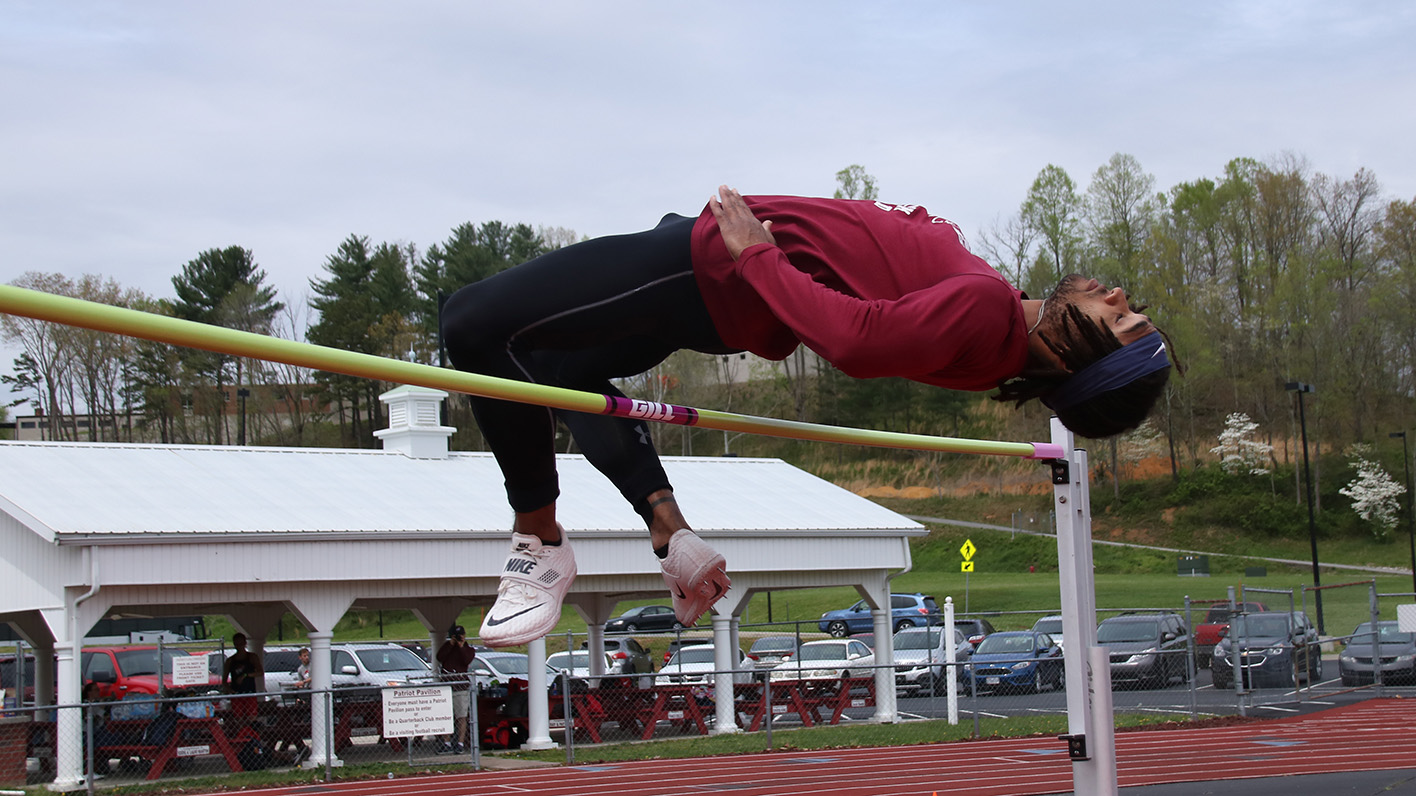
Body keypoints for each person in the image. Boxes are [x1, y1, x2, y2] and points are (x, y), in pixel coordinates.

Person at [442, 186, 1174, 648]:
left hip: (707, 268)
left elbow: (856, 342)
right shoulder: (997, 332)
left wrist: (757, 255)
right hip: (718, 287)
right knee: (567, 374)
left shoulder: (988, 316)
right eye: (1131, 308)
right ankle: (670, 530)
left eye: (1124, 323)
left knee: (473, 326)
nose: (1118, 298)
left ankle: (538, 545)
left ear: (1086, 359)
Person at [435, 625, 477, 753]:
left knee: (461, 716)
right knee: (446, 716)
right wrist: (450, 644)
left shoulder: (468, 649)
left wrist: (461, 646)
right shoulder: (448, 647)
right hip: (447, 687)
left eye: (461, 635)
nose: (459, 637)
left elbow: (466, 660)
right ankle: (446, 743)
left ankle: (460, 743)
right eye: (456, 636)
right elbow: (440, 657)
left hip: (461, 687)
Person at [221, 633, 263, 730]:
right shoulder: (230, 661)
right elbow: (224, 680)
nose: (239, 646)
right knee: (239, 720)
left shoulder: (252, 657)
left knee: (251, 718)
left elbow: (260, 672)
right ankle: (242, 735)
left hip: (249, 692)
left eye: (241, 644)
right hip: (237, 694)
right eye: (236, 644)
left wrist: (246, 675)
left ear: (245, 643)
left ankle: (252, 737)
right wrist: (230, 691)